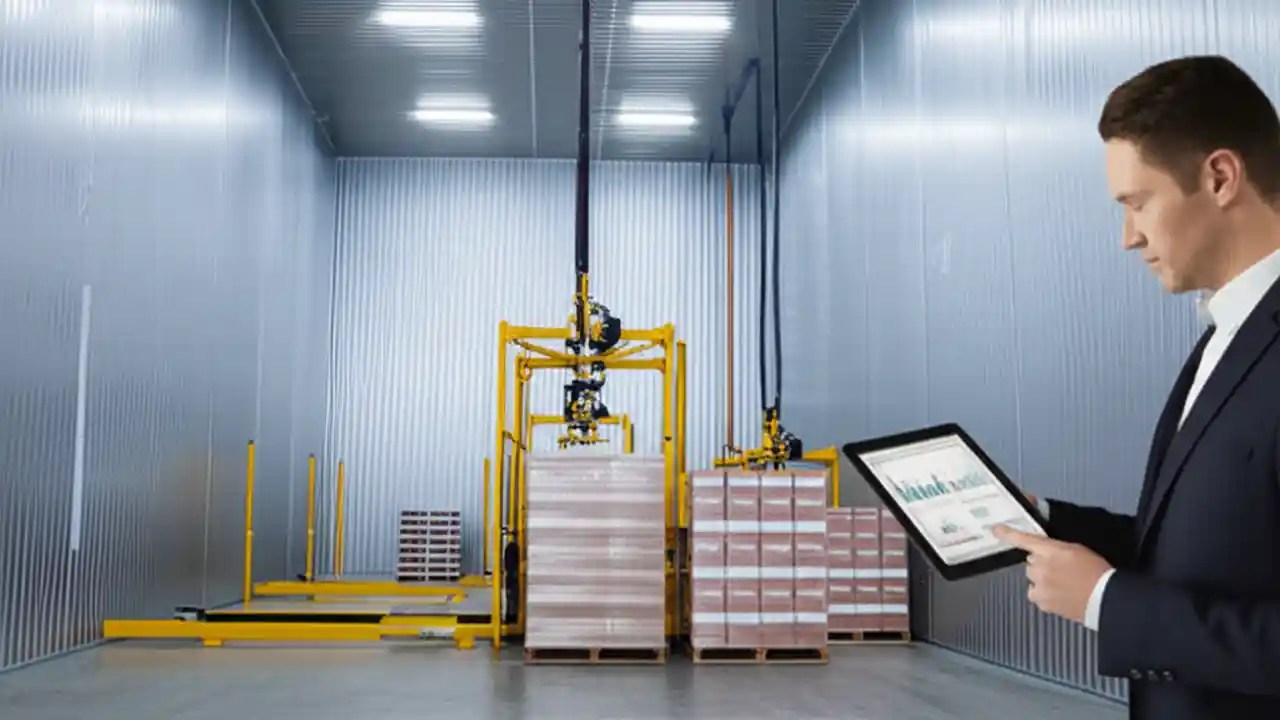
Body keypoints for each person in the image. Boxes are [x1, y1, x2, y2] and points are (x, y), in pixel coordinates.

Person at [992, 55, 1280, 720]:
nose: (1128, 238)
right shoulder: (1224, 337)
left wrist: (1107, 602)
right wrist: (1048, 521)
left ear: (1219, 177)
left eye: (1137, 203)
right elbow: (1210, 552)